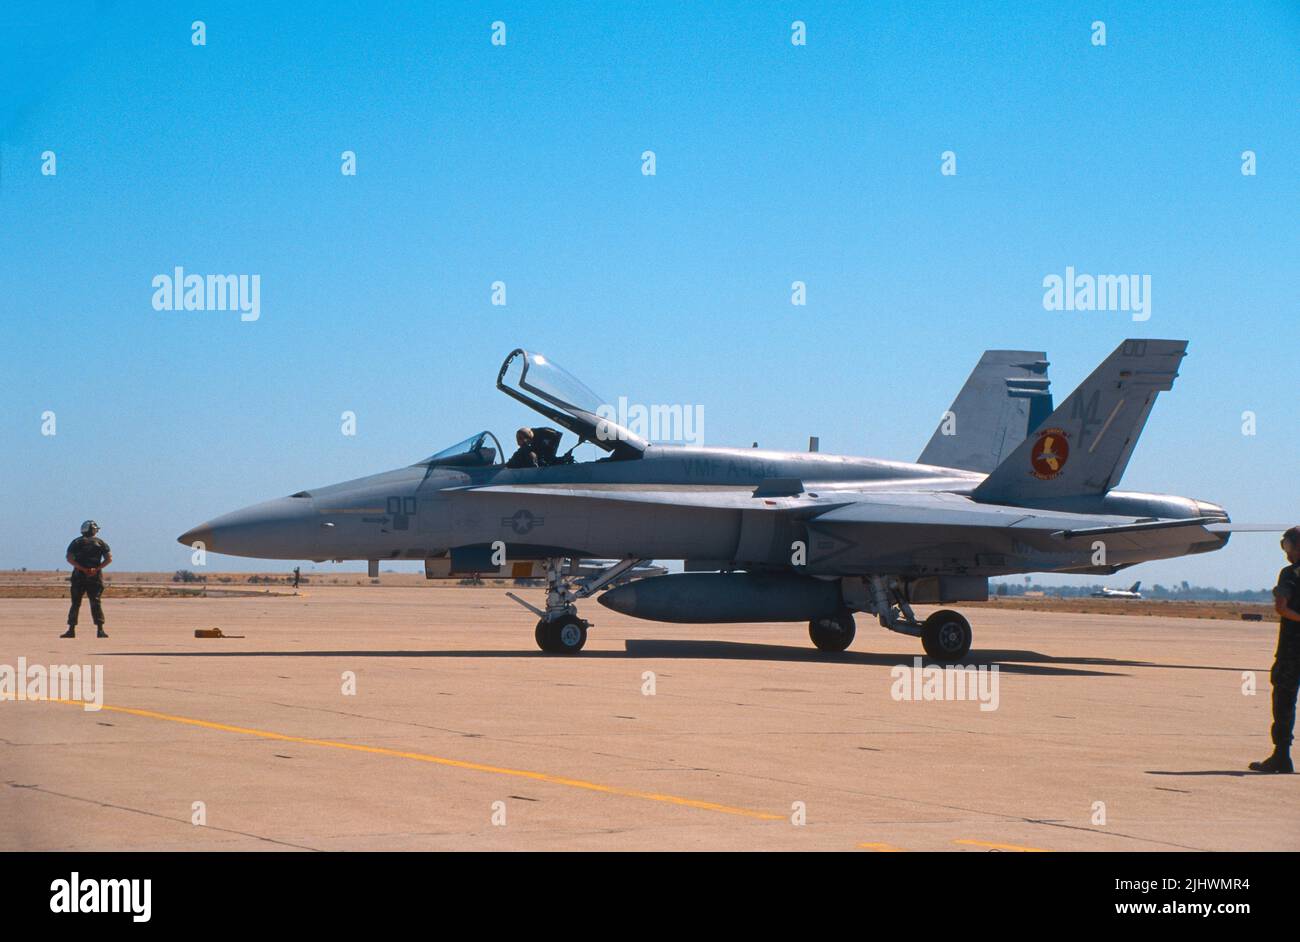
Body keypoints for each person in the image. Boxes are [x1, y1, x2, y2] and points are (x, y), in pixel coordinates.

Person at [1250, 526, 1300, 773]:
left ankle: (1281, 755)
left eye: (1288, 546)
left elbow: (1282, 607)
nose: (1286, 553)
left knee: (1284, 701)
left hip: (1292, 650)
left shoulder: (1290, 574)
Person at [62, 520, 111, 639]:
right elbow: (109, 558)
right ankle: (100, 630)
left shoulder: (76, 542)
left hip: (78, 576)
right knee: (95, 602)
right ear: (93, 530)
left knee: (75, 603)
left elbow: (69, 558)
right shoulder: (100, 542)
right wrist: (96, 569)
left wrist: (82, 568)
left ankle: (71, 629)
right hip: (95, 577)